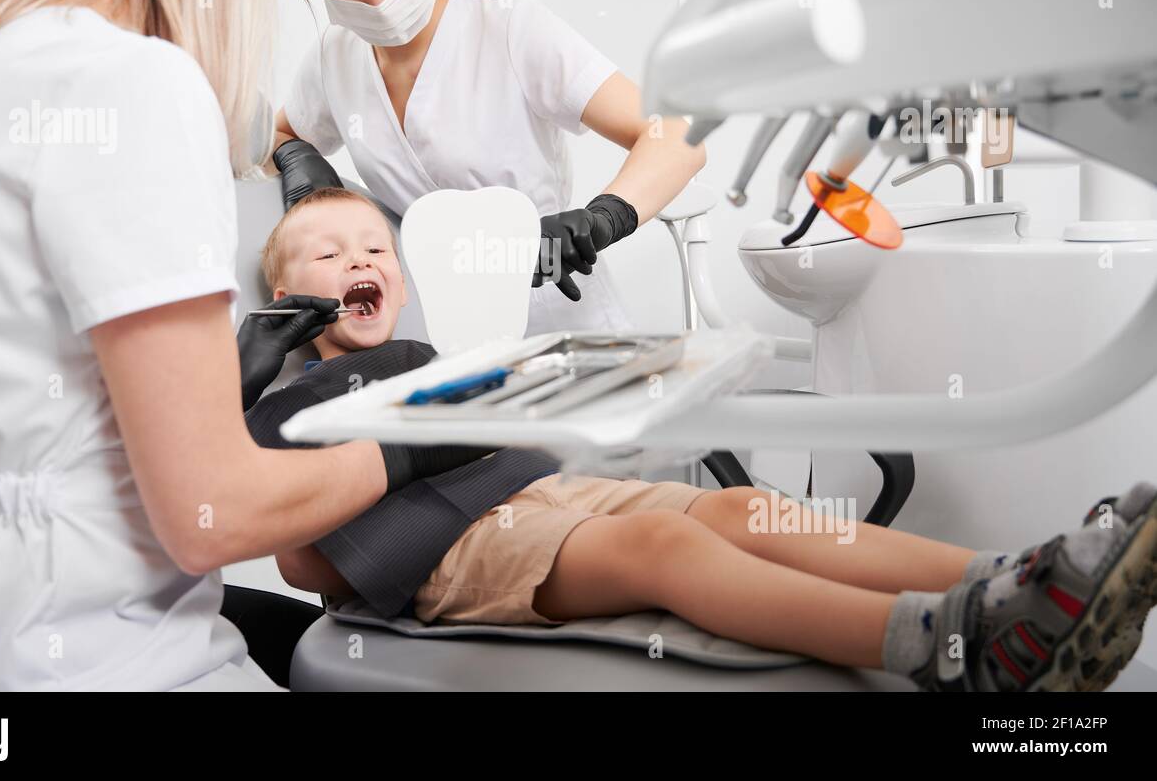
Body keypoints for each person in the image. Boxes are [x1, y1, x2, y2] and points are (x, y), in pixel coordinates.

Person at [0, 0, 485, 691]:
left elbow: (31, 407)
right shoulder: (134, 83)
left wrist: (212, 384)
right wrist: (413, 447)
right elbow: (209, 515)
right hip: (87, 660)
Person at [243, 186, 1157, 692]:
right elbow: (302, 570)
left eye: (377, 248)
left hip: (539, 501)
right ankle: (945, 643)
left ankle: (1018, 581)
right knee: (664, 544)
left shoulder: (429, 359)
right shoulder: (283, 405)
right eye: (328, 255)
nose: (362, 261)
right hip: (449, 555)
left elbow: (521, 450)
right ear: (285, 298)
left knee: (745, 506)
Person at [272, 0, 707, 337]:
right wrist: (298, 164)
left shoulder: (508, 28)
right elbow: (282, 136)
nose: (377, 0)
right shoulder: (333, 57)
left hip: (563, 326)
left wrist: (601, 218)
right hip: (436, 336)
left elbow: (676, 136)